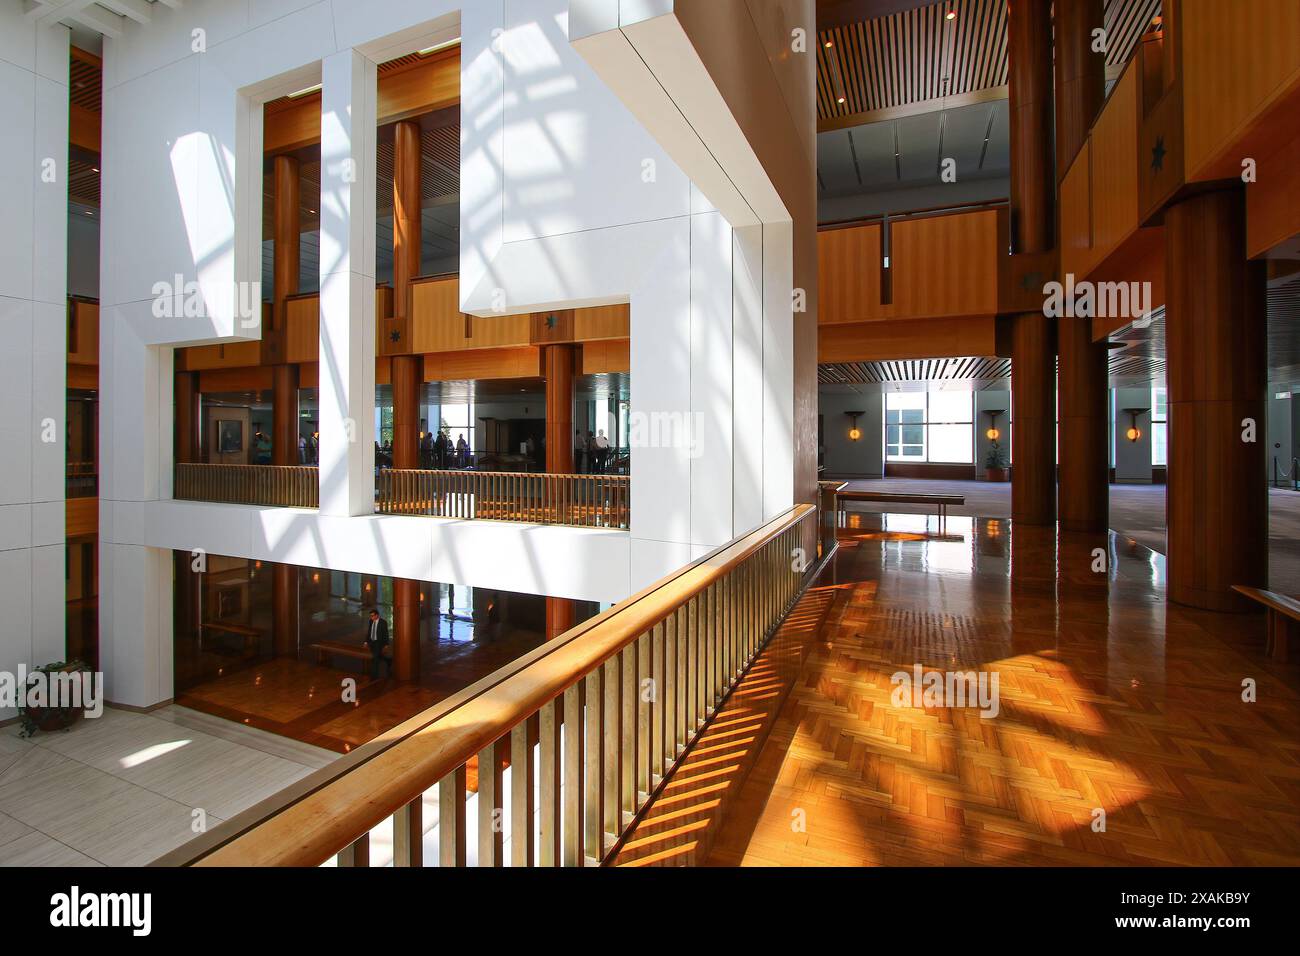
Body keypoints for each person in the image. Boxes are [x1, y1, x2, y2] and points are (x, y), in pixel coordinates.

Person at [362, 609, 391, 679]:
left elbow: (386, 634)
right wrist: (366, 642)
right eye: (370, 616)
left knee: (375, 659)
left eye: (372, 616)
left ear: (377, 615)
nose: (371, 617)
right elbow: (369, 632)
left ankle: (374, 676)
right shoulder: (371, 621)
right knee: (376, 656)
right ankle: (388, 660)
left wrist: (386, 644)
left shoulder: (383, 622)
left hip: (379, 642)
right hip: (371, 642)